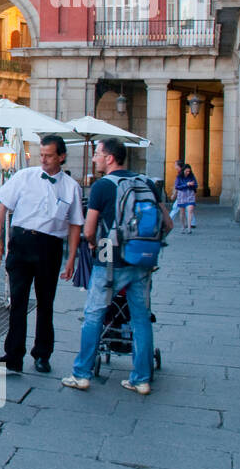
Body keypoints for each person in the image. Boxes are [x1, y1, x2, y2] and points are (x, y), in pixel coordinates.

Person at [62, 138, 172, 395]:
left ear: (110, 157)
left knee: (94, 315)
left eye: (98, 154)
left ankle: (82, 374)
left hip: (110, 261)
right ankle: (141, 379)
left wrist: (93, 245)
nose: (94, 158)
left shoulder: (102, 187)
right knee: (141, 318)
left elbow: (89, 231)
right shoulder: (146, 183)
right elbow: (168, 223)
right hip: (143, 261)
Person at [0, 134, 85, 374]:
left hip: (49, 246)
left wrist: (71, 258)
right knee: (18, 302)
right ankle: (13, 355)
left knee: (46, 303)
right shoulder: (24, 176)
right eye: (41, 155)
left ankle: (42, 355)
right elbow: (2, 206)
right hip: (21, 242)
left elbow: (75, 225)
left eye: (49, 155)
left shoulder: (72, 187)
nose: (43, 159)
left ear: (61, 157)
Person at [174, 164, 198, 233]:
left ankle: (189, 228)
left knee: (190, 210)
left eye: (189, 171)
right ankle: (183, 226)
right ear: (183, 171)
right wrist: (186, 184)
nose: (188, 173)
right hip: (182, 195)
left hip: (190, 194)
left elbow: (196, 184)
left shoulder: (192, 176)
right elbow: (177, 186)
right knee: (182, 212)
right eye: (186, 171)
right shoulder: (179, 177)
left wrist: (192, 185)